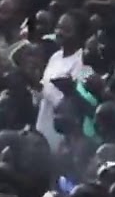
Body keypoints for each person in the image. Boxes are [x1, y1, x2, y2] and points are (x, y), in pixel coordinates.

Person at [37, 10, 89, 152]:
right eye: (58, 27)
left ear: (79, 34)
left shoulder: (82, 60)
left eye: (66, 30)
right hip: (44, 117)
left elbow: (74, 95)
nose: (59, 32)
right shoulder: (55, 56)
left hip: (63, 124)